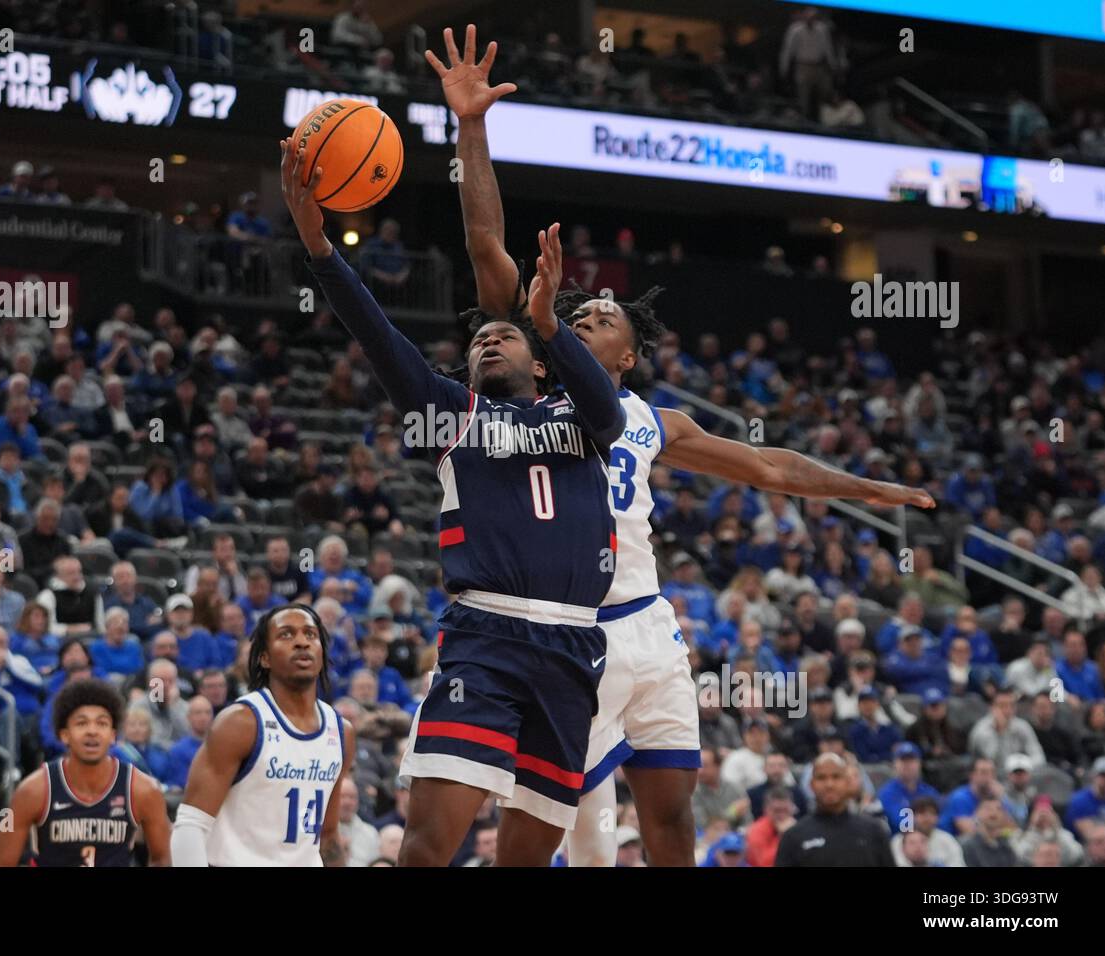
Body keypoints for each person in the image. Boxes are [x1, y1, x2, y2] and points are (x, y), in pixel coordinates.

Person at [431, 21, 934, 868]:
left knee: (670, 818)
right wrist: (472, 128)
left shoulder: (656, 422)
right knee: (570, 833)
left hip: (650, 628)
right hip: (566, 626)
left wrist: (870, 489)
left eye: (603, 318)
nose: (584, 317)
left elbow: (771, 466)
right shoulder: (532, 375)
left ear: (628, 355)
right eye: (577, 313)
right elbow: (487, 244)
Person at [285, 132, 625, 867]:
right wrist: (322, 252)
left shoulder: (586, 417)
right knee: (427, 848)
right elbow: (379, 338)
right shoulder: (453, 414)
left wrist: (549, 322)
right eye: (479, 342)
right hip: (486, 642)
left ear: (543, 359)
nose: (489, 342)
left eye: (507, 336)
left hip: (574, 646)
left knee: (527, 858)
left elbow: (610, 409)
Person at [171, 605, 355, 866]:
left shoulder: (341, 732)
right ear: (265, 657)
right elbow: (190, 826)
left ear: (322, 653)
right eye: (286, 635)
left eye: (310, 635)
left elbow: (327, 835)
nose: (302, 642)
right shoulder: (240, 722)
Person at [0, 679, 171, 866]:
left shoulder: (144, 790)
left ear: (113, 735)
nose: (92, 731)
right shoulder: (32, 791)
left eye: (101, 723)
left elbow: (162, 859)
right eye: (81, 723)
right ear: (64, 735)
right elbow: (2, 863)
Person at [775, 753, 895, 866]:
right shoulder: (793, 837)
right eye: (821, 778)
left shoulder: (874, 832)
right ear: (811, 785)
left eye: (836, 777)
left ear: (847, 783)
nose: (829, 784)